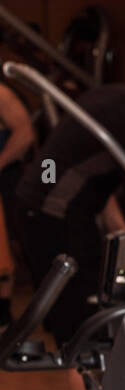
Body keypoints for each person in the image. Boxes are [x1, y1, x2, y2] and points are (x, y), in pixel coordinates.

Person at [13, 83, 125, 344]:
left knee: (82, 321)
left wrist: (119, 227)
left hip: (47, 212)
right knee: (82, 331)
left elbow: (86, 170)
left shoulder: (118, 98)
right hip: (52, 217)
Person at [0, 83, 35, 326]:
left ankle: (2, 313)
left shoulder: (1, 94)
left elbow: (25, 134)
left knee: (3, 251)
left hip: (5, 177)